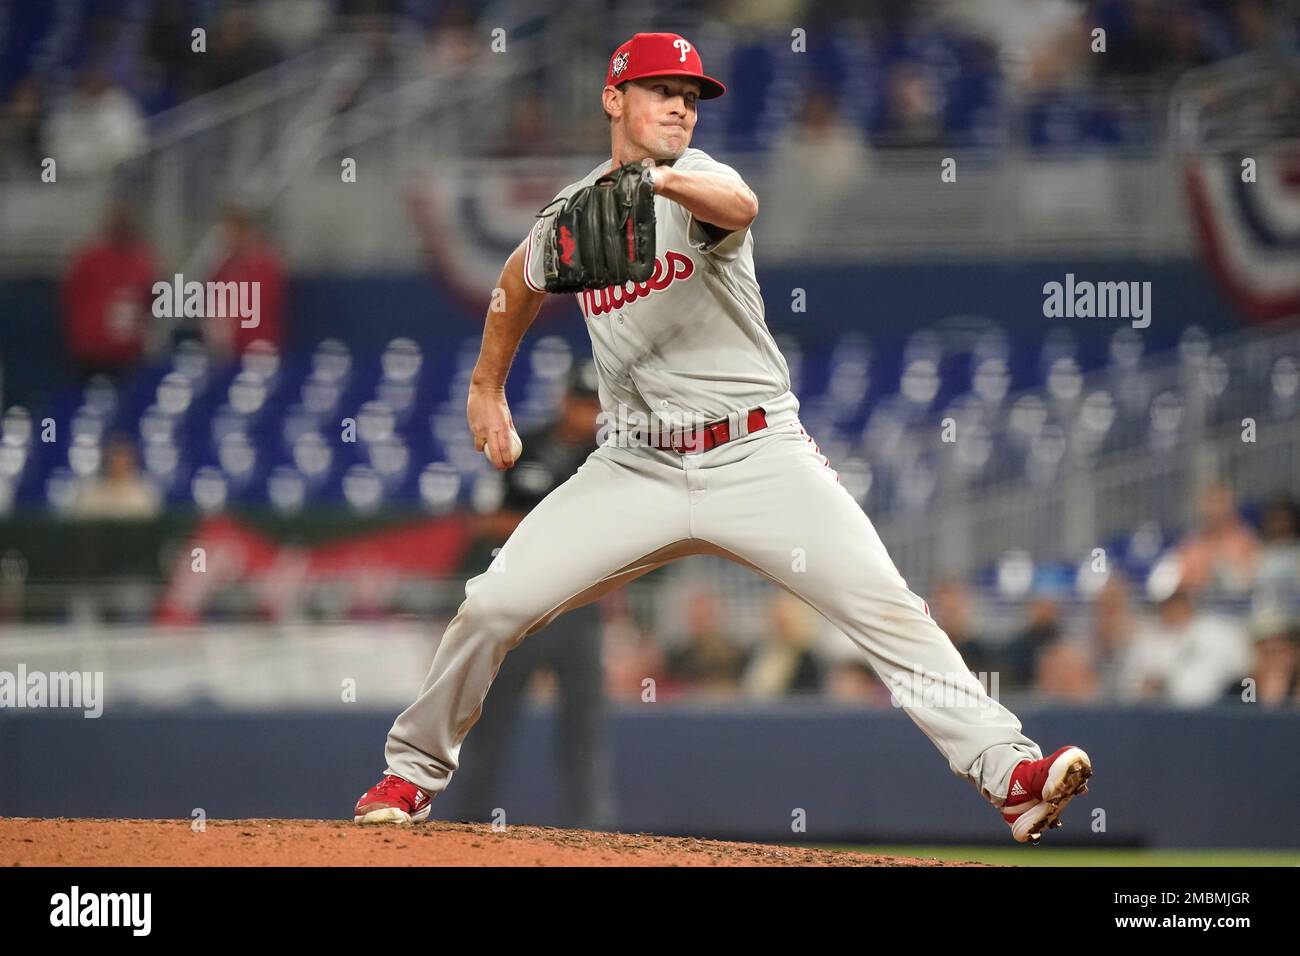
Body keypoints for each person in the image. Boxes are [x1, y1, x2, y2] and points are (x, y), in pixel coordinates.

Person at [356, 32, 1091, 844]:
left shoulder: (703, 180)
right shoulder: (573, 211)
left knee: (889, 610)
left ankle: (1009, 773)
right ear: (613, 98)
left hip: (757, 457)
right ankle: (411, 772)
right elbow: (515, 284)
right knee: (493, 603)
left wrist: (663, 185)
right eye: (660, 89)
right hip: (634, 466)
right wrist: (487, 383)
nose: (679, 104)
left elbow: (740, 209)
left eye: (691, 94)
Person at [449, 362, 616, 830]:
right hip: (520, 605)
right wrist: (550, 532)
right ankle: (466, 829)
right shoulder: (526, 446)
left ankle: (593, 834)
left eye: (595, 406)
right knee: (490, 720)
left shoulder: (610, 455)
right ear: (565, 400)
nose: (587, 415)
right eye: (581, 403)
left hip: (577, 608)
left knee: (584, 727)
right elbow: (484, 519)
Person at [61, 203, 158, 384]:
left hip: (127, 351)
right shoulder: (91, 258)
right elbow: (72, 296)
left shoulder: (141, 260)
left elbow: (150, 297)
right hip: (92, 348)